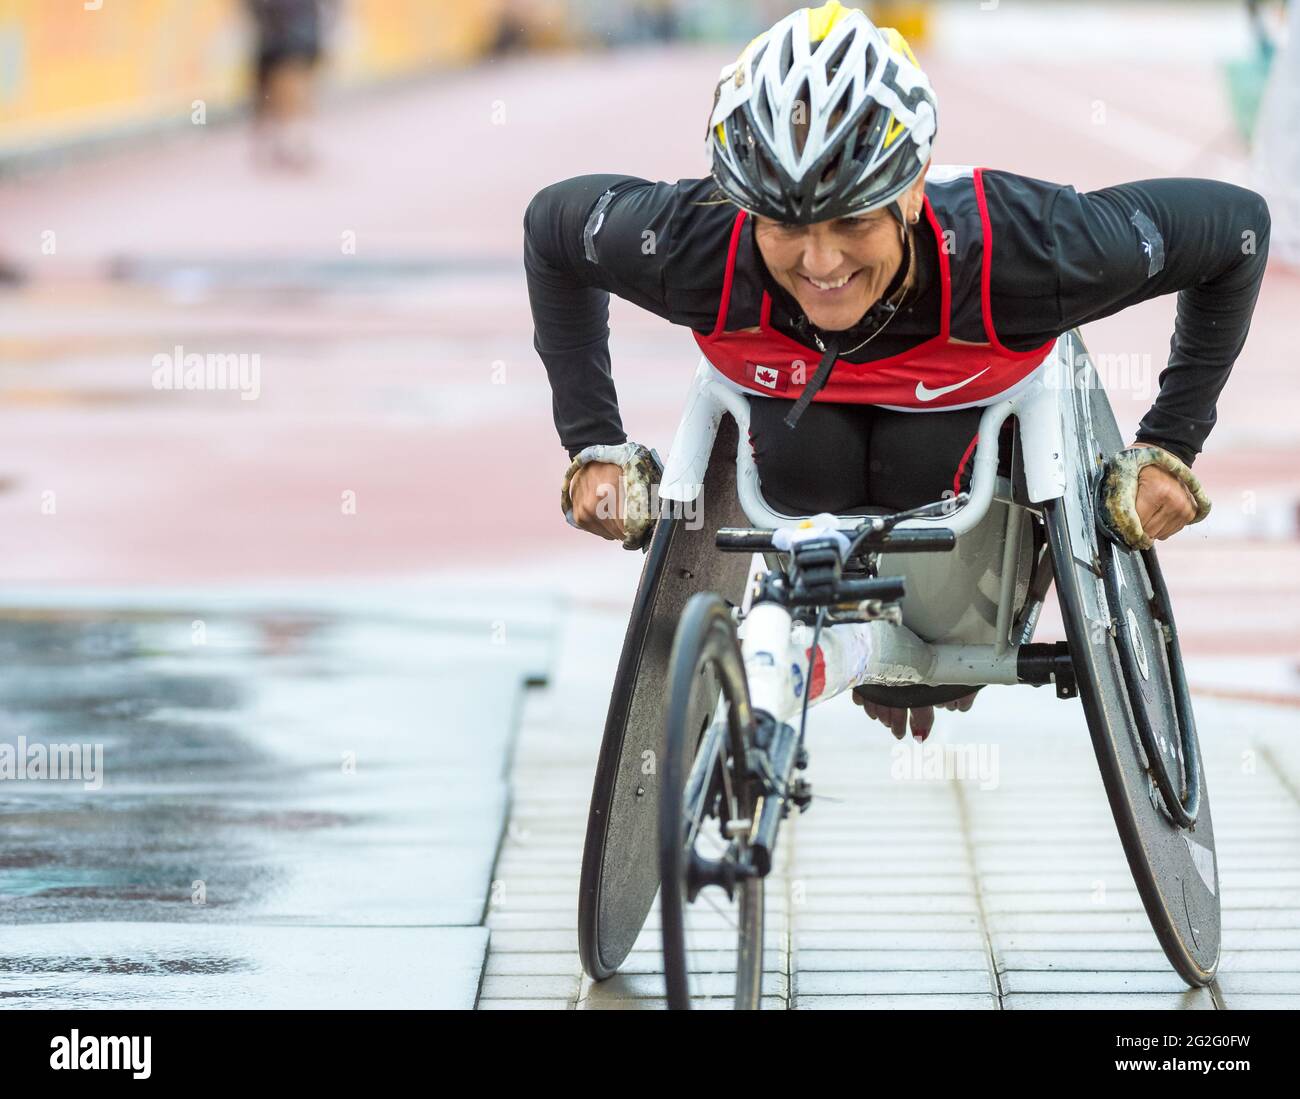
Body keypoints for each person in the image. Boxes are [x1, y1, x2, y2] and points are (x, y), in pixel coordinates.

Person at [524, 1, 1271, 740]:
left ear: (912, 192)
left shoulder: (1031, 249)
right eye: (786, 226)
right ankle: (841, 639)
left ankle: (922, 638)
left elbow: (1235, 231)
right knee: (809, 459)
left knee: (936, 586)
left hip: (966, 480)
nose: (820, 262)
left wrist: (1170, 446)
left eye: (852, 221)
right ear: (745, 208)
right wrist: (593, 444)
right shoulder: (693, 244)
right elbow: (551, 229)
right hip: (800, 452)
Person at [246, 0, 333, 171]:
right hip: (279, 32)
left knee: (292, 80)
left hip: (293, 31)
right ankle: (288, 138)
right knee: (282, 83)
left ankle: (292, 139)